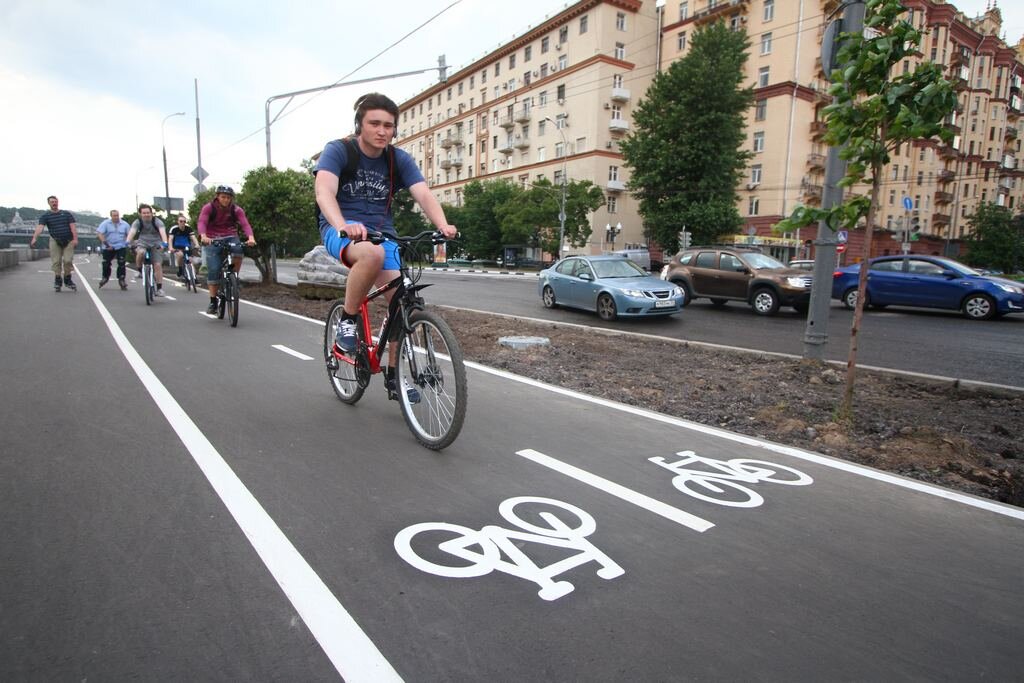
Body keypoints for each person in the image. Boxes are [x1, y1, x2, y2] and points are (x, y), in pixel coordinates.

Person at [314, 92, 457, 402]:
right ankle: (348, 322)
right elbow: (324, 192)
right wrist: (342, 224)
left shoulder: (397, 159)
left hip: (383, 232)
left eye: (389, 125)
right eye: (374, 123)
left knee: (403, 299)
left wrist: (442, 224)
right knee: (371, 253)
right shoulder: (339, 150)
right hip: (341, 228)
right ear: (360, 125)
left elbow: (424, 194)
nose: (382, 131)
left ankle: (394, 375)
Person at [197, 186, 256, 315]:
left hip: (230, 235)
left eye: (228, 197)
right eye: (223, 197)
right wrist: (203, 236)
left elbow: (245, 224)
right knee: (214, 268)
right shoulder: (209, 208)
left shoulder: (236, 210)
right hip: (212, 237)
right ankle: (213, 302)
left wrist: (250, 237)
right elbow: (202, 222)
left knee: (238, 251)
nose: (226, 200)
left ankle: (234, 276)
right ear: (217, 197)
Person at [31, 195, 78, 291]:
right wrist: (35, 237)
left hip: (68, 240)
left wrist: (75, 239)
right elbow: (40, 227)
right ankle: (58, 279)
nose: (54, 203)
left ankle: (67, 278)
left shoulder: (66, 214)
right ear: (49, 203)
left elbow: (73, 227)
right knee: (56, 261)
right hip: (55, 240)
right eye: (52, 202)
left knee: (68, 260)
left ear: (58, 202)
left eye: (55, 201)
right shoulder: (45, 216)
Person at [126, 204, 169, 296]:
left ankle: (159, 288)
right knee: (141, 252)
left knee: (157, 265)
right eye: (144, 213)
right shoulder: (137, 222)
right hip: (143, 242)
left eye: (148, 213)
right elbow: (132, 232)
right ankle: (139, 270)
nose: (146, 215)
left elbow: (162, 232)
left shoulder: (157, 221)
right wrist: (127, 241)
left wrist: (164, 242)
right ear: (140, 214)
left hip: (156, 243)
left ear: (151, 213)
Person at [95, 209, 131, 289]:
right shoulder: (105, 223)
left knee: (121, 262)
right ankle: (105, 277)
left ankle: (121, 279)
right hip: (108, 246)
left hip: (121, 246)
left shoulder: (124, 224)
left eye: (117, 215)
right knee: (106, 263)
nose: (116, 217)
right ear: (111, 216)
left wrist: (129, 244)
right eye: (114, 216)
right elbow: (100, 234)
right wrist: (107, 245)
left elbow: (129, 234)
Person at [168, 214, 200, 278]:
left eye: (184, 221)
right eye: (181, 221)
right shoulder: (174, 229)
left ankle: (195, 279)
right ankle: (180, 269)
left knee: (191, 260)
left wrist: (197, 244)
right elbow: (170, 239)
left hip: (187, 246)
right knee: (180, 255)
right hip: (177, 247)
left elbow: (193, 238)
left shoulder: (188, 229)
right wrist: (171, 247)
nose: (183, 223)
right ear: (178, 222)